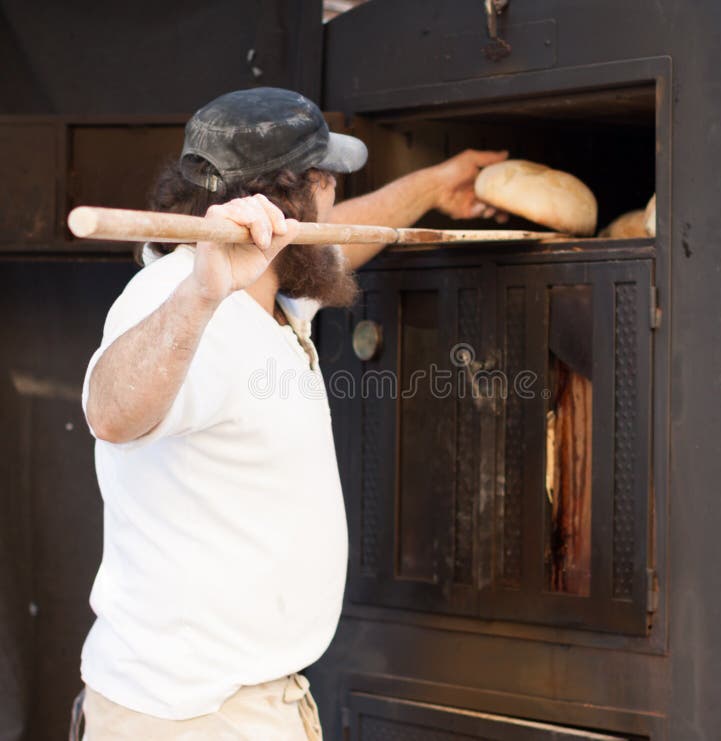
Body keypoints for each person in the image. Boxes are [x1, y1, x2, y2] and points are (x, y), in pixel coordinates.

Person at [74, 86, 507, 739]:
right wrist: (200, 295)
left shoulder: (268, 292)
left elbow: (337, 243)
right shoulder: (179, 297)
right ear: (285, 195)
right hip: (188, 716)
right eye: (326, 178)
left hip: (243, 702)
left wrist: (437, 183)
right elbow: (109, 413)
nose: (334, 194)